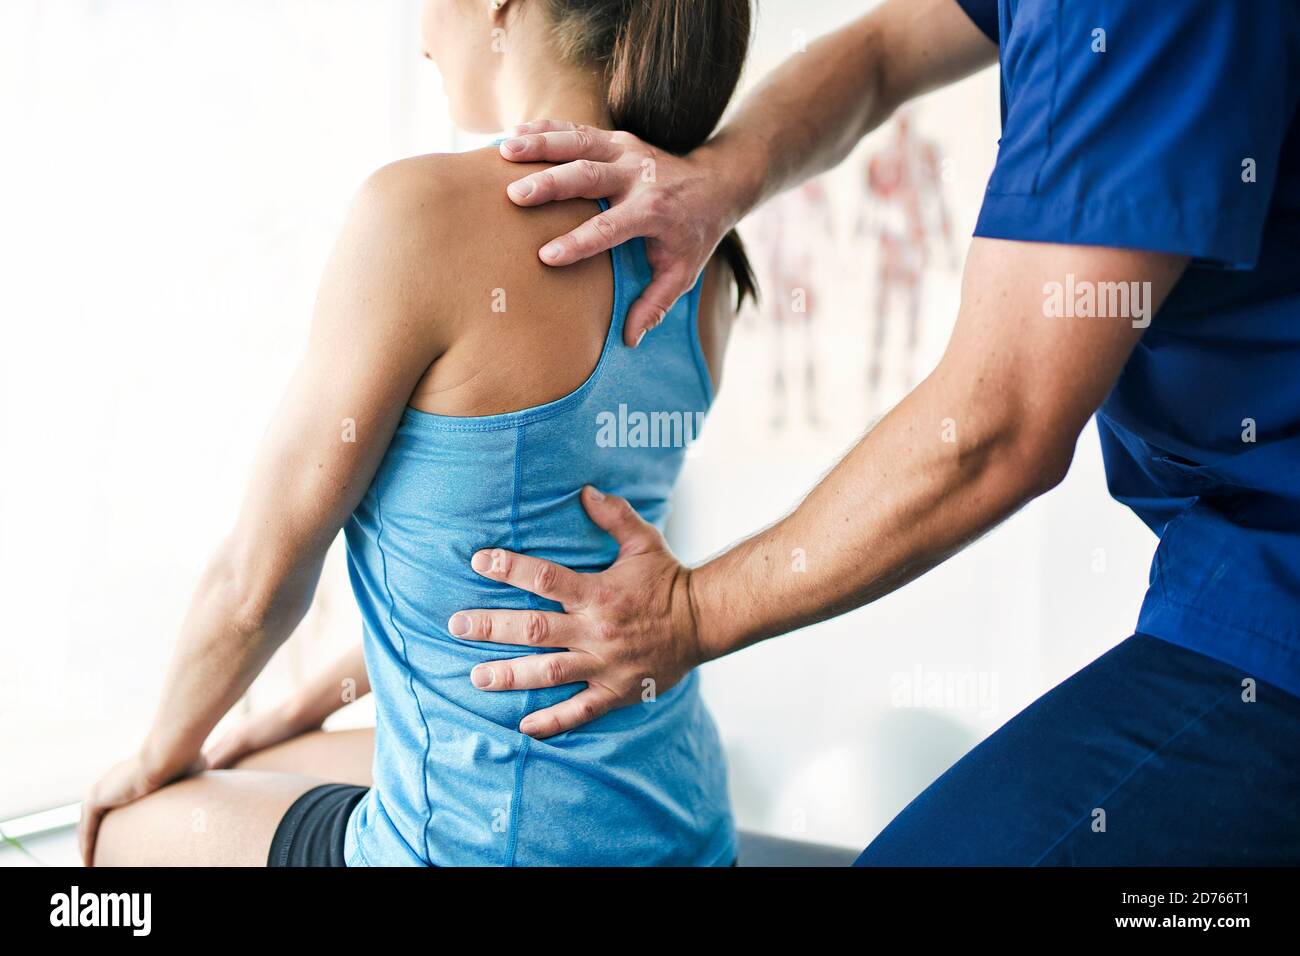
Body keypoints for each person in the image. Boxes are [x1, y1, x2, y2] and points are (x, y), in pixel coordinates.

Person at [454, 0, 1300, 863]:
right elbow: (885, 48)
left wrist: (692, 614)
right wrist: (722, 176)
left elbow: (999, 425)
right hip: (1227, 562)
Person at [78, 0, 755, 867]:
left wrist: (153, 758)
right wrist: (299, 705)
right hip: (687, 831)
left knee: (125, 827)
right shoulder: (703, 252)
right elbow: (500, 570)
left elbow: (256, 582)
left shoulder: (421, 211)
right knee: (267, 753)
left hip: (492, 850)